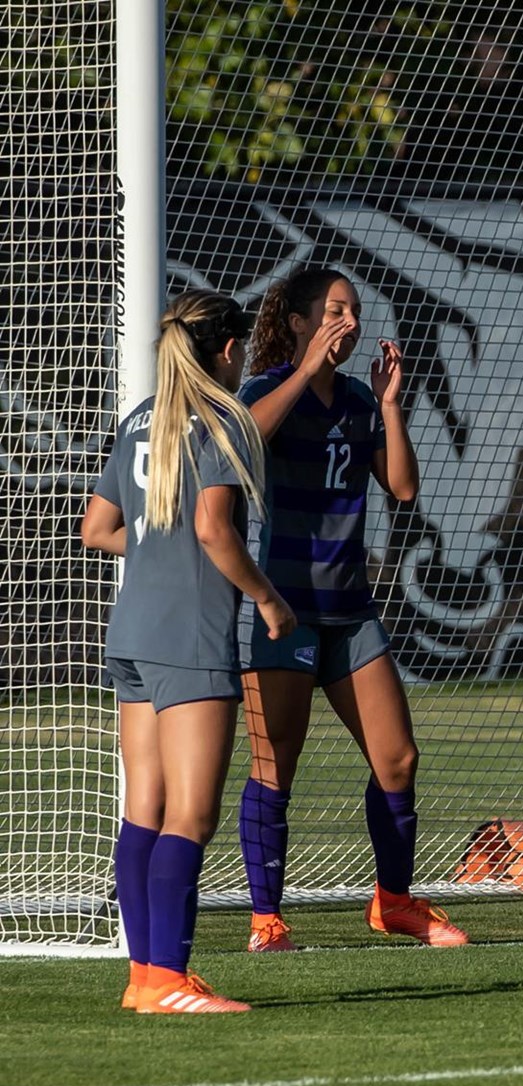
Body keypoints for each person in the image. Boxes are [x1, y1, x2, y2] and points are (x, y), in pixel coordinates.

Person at [235, 266, 466, 951]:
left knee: (398, 757)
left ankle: (393, 902)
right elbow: (245, 439)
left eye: (355, 311)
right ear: (299, 322)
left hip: (350, 610)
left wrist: (392, 405)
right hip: (282, 608)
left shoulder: (363, 401)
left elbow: (401, 487)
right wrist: (304, 369)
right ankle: (265, 919)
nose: (350, 320)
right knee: (276, 764)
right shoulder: (264, 389)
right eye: (334, 309)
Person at [80, 290, 295, 1013]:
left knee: (144, 807)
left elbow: (98, 527)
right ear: (229, 351)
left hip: (133, 633)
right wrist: (266, 597)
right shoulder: (223, 418)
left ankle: (144, 978)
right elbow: (213, 529)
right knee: (190, 816)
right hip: (191, 636)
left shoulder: (140, 418)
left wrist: (155, 547)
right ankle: (170, 977)